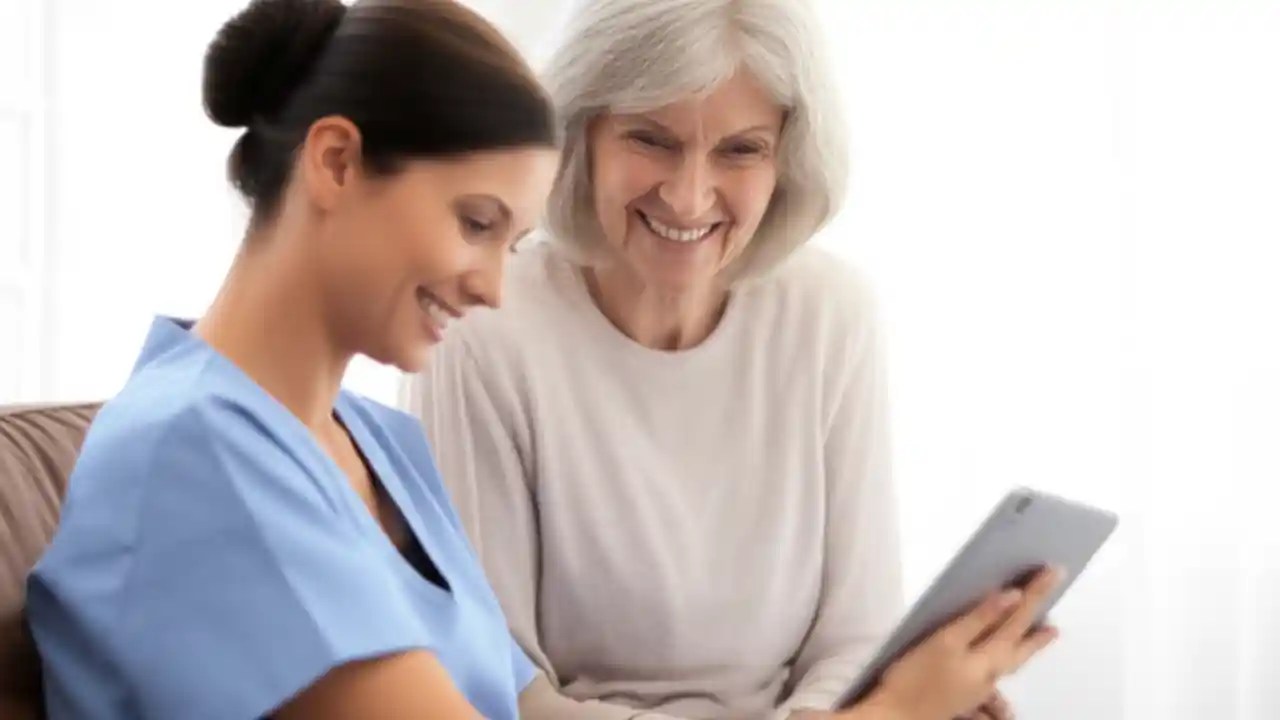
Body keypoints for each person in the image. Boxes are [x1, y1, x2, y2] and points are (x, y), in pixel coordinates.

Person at [403, 1, 1062, 719]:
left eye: (741, 149)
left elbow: (853, 640)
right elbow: (498, 691)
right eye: (650, 140)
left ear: (787, 156)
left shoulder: (829, 314)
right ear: (580, 133)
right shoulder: (481, 325)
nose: (689, 196)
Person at [26, 0, 560, 718]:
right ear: (335, 162)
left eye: (514, 245)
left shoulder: (381, 445)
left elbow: (528, 700)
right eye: (475, 223)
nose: (494, 288)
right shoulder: (191, 451)